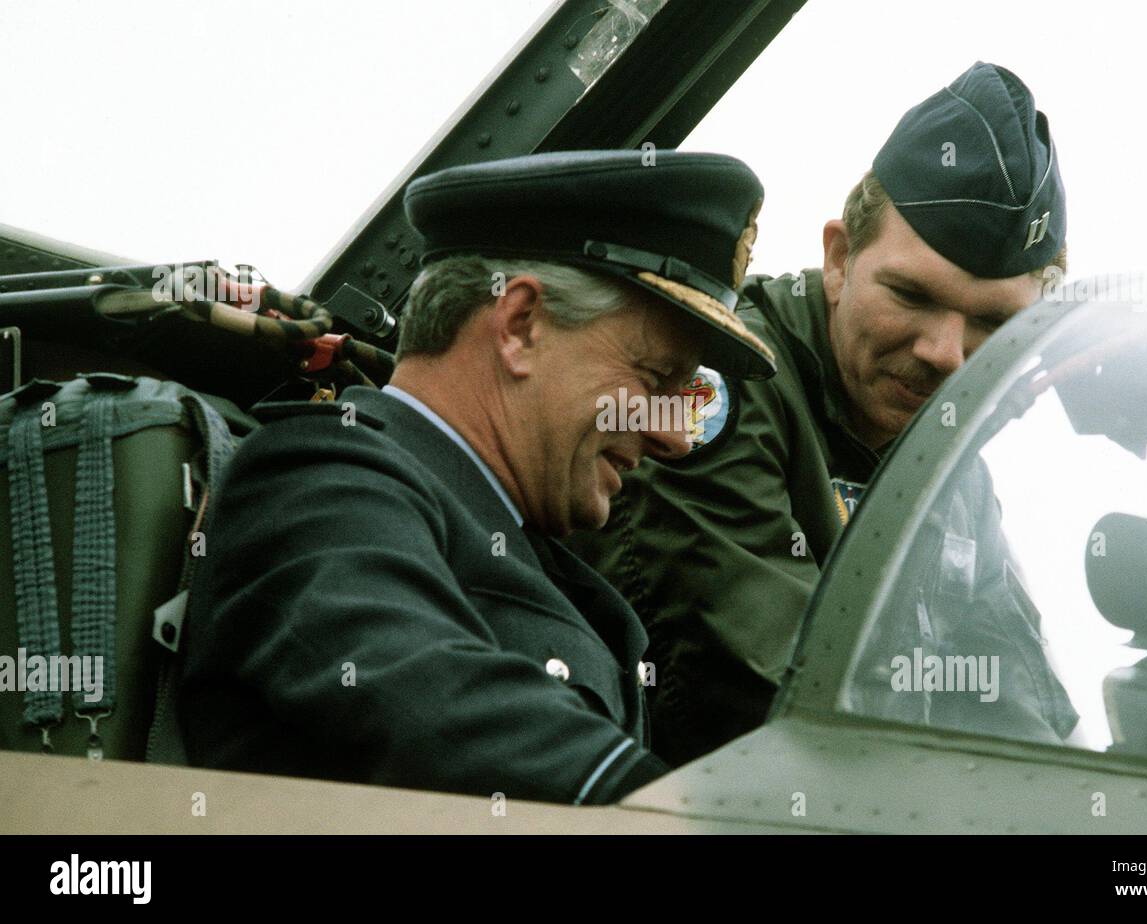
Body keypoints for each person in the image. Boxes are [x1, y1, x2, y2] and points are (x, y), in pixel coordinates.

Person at [178, 149, 776, 804]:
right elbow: (414, 690)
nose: (672, 436)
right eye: (655, 379)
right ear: (521, 325)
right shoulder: (317, 480)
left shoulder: (544, 563)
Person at [568, 62, 1075, 765]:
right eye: (913, 296)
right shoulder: (723, 395)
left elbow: (1020, 716)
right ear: (839, 259)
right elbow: (778, 713)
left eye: (992, 323)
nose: (947, 355)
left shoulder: (948, 461)